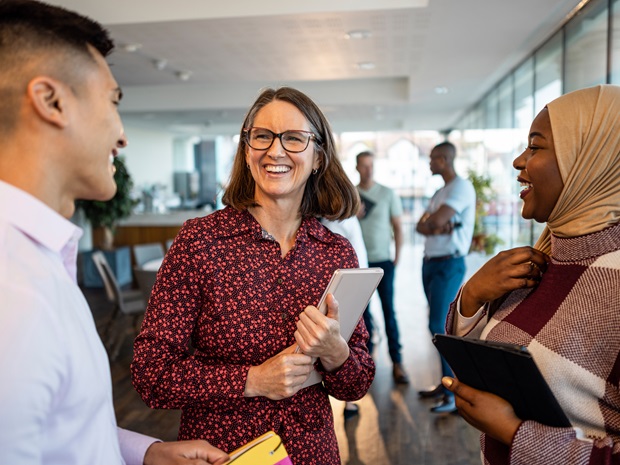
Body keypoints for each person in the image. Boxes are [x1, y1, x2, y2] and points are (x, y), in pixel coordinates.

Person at [0, 1, 229, 465]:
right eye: (112, 100)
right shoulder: (13, 291)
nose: (123, 136)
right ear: (51, 101)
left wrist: (146, 452)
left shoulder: (42, 260)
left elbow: (65, 430)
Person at [131, 87, 376, 465]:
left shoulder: (336, 252)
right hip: (223, 453)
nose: (275, 151)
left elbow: (357, 383)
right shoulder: (200, 242)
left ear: (317, 158)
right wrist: (253, 380)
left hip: (313, 452)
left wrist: (335, 352)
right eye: (262, 136)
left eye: (294, 138)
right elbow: (152, 374)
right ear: (247, 152)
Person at [441, 84, 620, 464]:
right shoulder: (546, 253)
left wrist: (513, 433)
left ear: (588, 160)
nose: (519, 161)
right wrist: (473, 295)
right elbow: (485, 359)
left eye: (536, 147)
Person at [416, 141, 476, 413]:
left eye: (432, 159)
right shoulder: (440, 191)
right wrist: (432, 225)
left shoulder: (461, 187)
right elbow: (422, 225)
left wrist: (434, 224)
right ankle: (445, 384)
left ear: (444, 159)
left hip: (448, 264)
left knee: (439, 325)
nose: (429, 163)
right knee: (436, 324)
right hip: (430, 263)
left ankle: (454, 394)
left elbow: (435, 222)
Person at [355, 150, 409, 384]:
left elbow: (397, 226)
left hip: (383, 261)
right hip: (358, 264)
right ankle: (366, 364)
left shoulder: (387, 194)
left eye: (371, 166)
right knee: (362, 316)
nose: (368, 170)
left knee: (389, 312)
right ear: (357, 167)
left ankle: (397, 362)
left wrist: (397, 256)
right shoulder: (351, 195)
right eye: (364, 166)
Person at [321, 215, 368, 420]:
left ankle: (350, 404)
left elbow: (358, 261)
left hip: (348, 287)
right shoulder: (322, 222)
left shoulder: (343, 224)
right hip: (339, 286)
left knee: (347, 339)